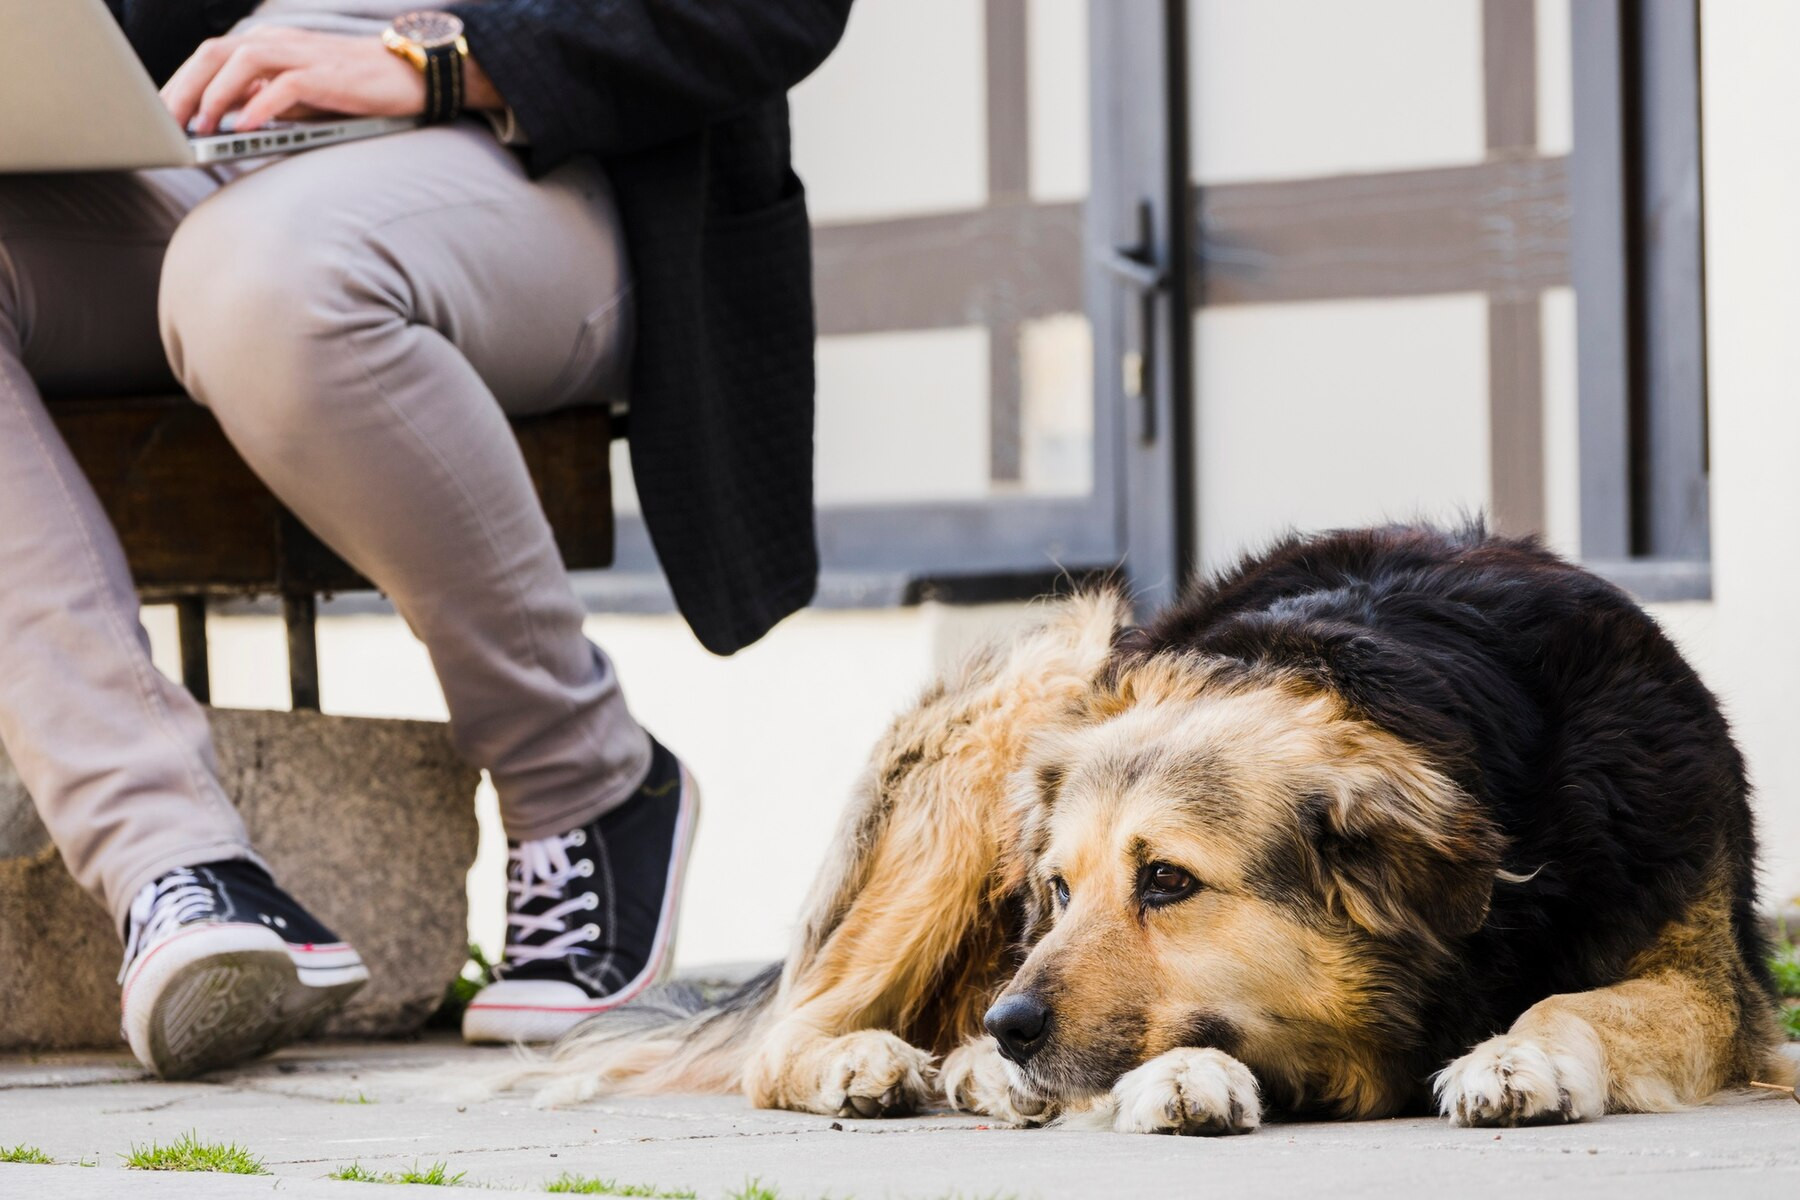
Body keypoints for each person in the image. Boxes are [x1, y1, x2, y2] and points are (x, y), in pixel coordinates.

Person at [0, 0, 852, 1078]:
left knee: (264, 278)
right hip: (209, 140)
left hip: (541, 158)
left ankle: (583, 780)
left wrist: (446, 61)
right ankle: (176, 867)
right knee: (243, 251)